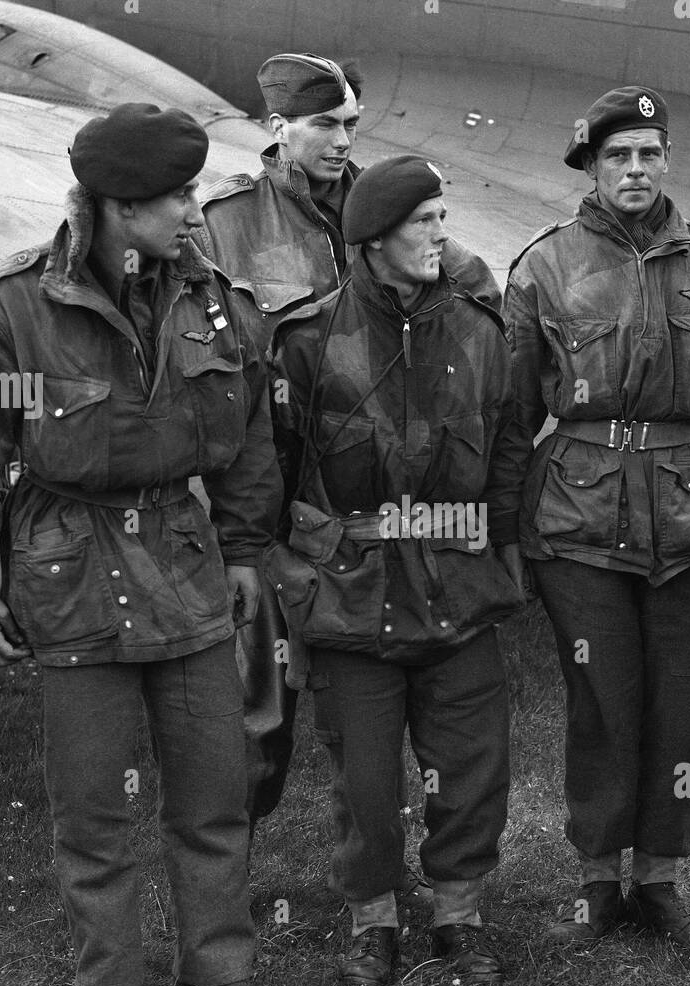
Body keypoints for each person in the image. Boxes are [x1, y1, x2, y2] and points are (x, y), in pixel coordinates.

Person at [0, 103, 283, 986]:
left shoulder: (213, 302)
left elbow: (248, 442)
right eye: (179, 195)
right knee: (92, 802)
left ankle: (221, 963)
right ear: (117, 205)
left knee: (212, 785)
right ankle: (105, 979)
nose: (197, 211)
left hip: (186, 567)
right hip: (67, 576)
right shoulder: (17, 308)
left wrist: (242, 548)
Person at [200, 54, 498, 874]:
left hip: (366, 514)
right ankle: (228, 876)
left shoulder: (396, 207)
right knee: (254, 710)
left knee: (355, 705)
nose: (340, 141)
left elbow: (473, 308)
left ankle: (405, 884)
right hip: (264, 490)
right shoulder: (222, 223)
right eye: (323, 124)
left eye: (350, 126)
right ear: (278, 128)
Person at [504, 86, 690, 952]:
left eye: (650, 154)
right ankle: (596, 881)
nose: (635, 169)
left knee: (683, 706)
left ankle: (659, 879)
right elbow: (509, 418)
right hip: (578, 518)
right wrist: (506, 534)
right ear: (590, 166)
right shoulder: (543, 266)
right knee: (601, 701)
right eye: (618, 155)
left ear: (666, 162)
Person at [263, 155, 527, 986]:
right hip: (351, 591)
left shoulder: (484, 331)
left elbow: (511, 446)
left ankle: (459, 913)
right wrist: (288, 571)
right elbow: (272, 472)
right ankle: (373, 919)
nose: (442, 234)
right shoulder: (307, 341)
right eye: (424, 221)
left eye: (444, 217)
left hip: (459, 583)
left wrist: (505, 549)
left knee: (473, 764)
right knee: (367, 782)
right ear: (374, 240)